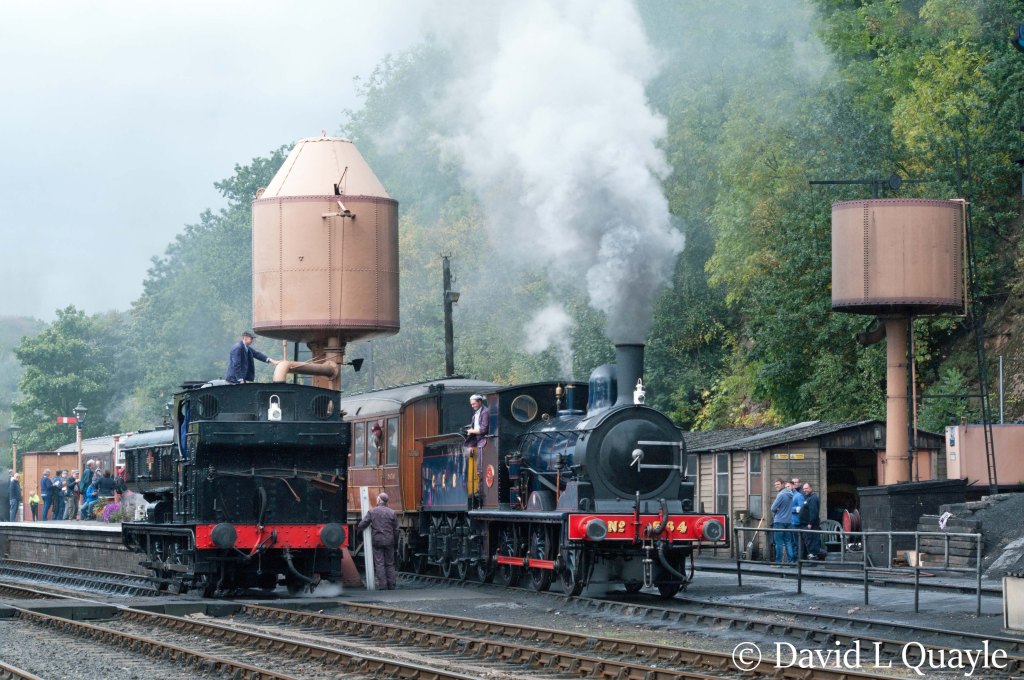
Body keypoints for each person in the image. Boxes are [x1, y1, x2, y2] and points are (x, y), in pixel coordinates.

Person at [355, 492, 398, 590]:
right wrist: (395, 542)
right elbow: (396, 530)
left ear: (379, 500)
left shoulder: (372, 512)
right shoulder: (392, 512)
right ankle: (392, 585)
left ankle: (383, 585)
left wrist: (359, 530)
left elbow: (362, 524)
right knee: (390, 563)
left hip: (377, 540)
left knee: (379, 563)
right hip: (389, 541)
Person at [800, 483, 827, 561]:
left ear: (811, 488)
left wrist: (810, 523)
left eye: (806, 488)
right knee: (809, 543)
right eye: (803, 489)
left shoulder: (813, 498)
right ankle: (814, 558)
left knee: (812, 543)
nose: (804, 490)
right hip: (806, 524)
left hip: (810, 525)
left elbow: (813, 512)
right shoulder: (808, 498)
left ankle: (820, 556)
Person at [770, 479, 794, 564]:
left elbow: (772, 508)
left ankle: (778, 562)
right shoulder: (790, 494)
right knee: (788, 542)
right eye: (775, 484)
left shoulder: (781, 494)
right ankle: (791, 561)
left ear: (783, 484)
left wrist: (777, 509)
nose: (776, 486)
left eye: (778, 484)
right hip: (788, 521)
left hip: (779, 521)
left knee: (779, 543)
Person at [789, 477, 805, 561]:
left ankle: (798, 560)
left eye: (796, 482)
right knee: (791, 542)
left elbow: (801, 508)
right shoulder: (789, 495)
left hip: (796, 522)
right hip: (789, 522)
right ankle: (793, 559)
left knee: (797, 542)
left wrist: (790, 509)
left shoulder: (799, 495)